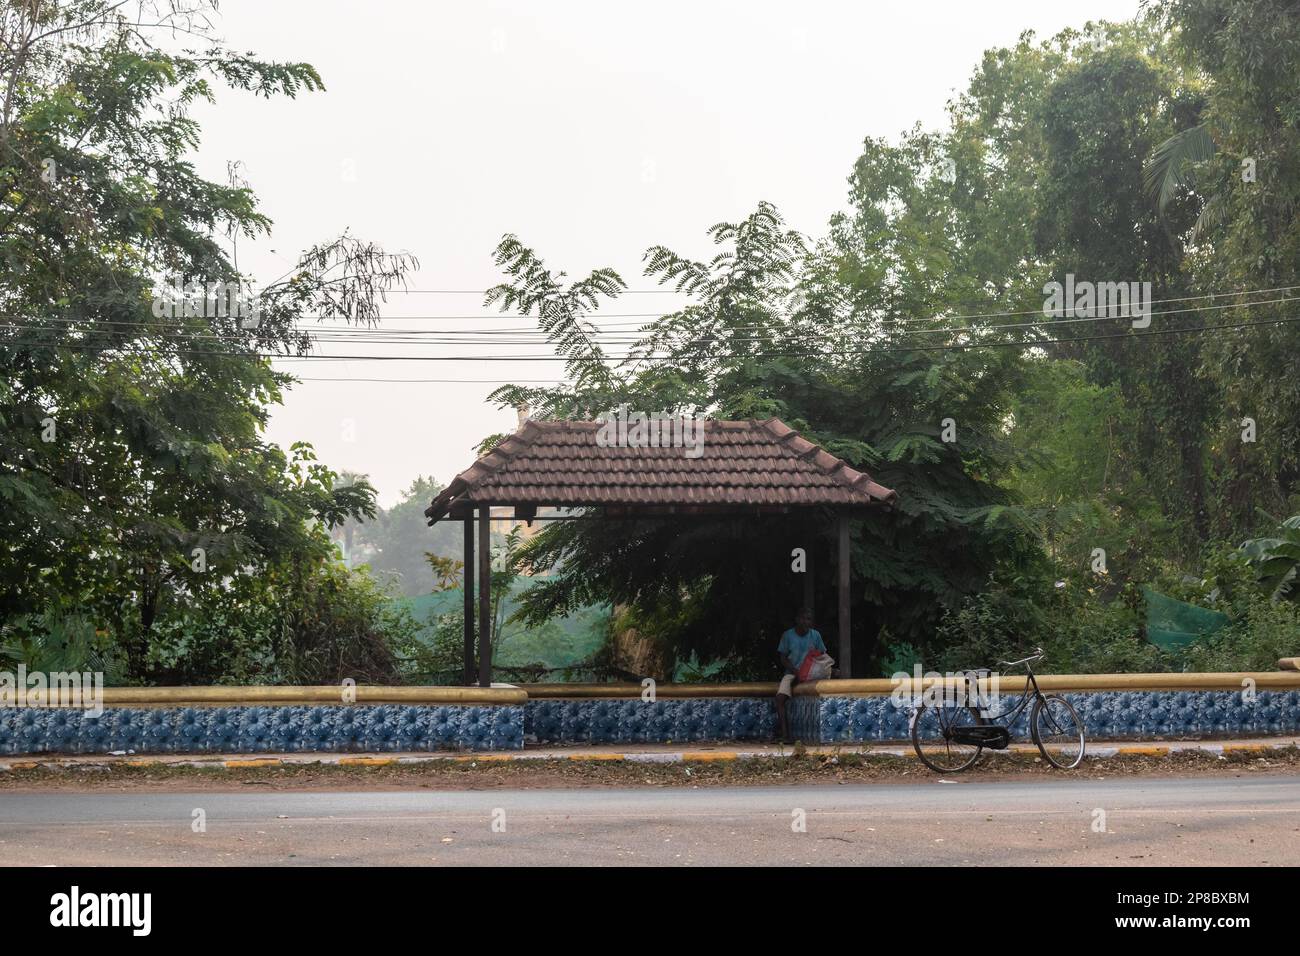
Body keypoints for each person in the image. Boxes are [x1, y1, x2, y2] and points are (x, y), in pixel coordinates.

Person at [774, 607, 826, 744]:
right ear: (797, 620)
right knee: (780, 699)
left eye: (808, 619)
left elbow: (822, 655)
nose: (805, 622)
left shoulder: (815, 635)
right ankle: (785, 735)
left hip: (811, 673)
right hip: (792, 673)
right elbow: (783, 658)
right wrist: (794, 670)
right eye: (803, 618)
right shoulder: (788, 636)